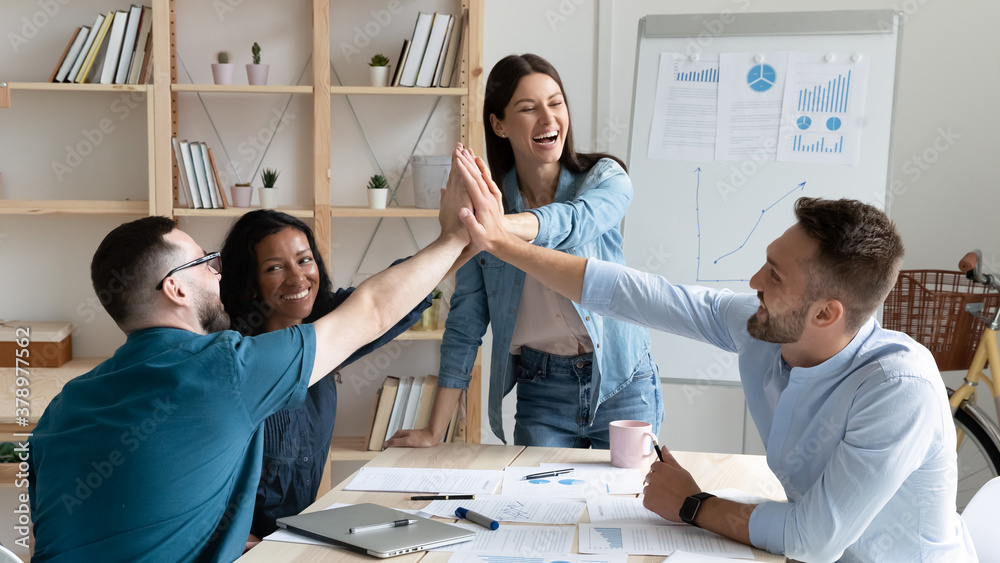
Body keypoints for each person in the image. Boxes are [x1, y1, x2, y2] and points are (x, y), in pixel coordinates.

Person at [453, 152, 976, 561]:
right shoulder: (763, 326)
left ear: (825, 314)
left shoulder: (897, 388)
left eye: (775, 276)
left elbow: (814, 539)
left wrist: (692, 504)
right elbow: (638, 293)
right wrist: (501, 243)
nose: (754, 283)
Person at [26, 161, 471, 562]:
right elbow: (372, 311)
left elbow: (60, 531)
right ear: (176, 289)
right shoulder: (227, 367)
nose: (217, 272)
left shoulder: (64, 406)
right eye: (204, 264)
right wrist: (453, 236)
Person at [388, 54, 662, 449]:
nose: (548, 119)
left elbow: (574, 221)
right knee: (538, 508)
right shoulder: (485, 213)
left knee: (627, 506)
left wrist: (499, 230)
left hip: (622, 380)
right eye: (528, 108)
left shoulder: (604, 178)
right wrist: (435, 430)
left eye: (556, 103)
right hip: (542, 387)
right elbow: (466, 322)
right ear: (498, 124)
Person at [218, 210, 431, 543]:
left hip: (301, 541)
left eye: (304, 260)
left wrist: (461, 236)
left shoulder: (327, 336)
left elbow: (404, 294)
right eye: (275, 267)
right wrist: (236, 540)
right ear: (252, 284)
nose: (297, 278)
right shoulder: (236, 366)